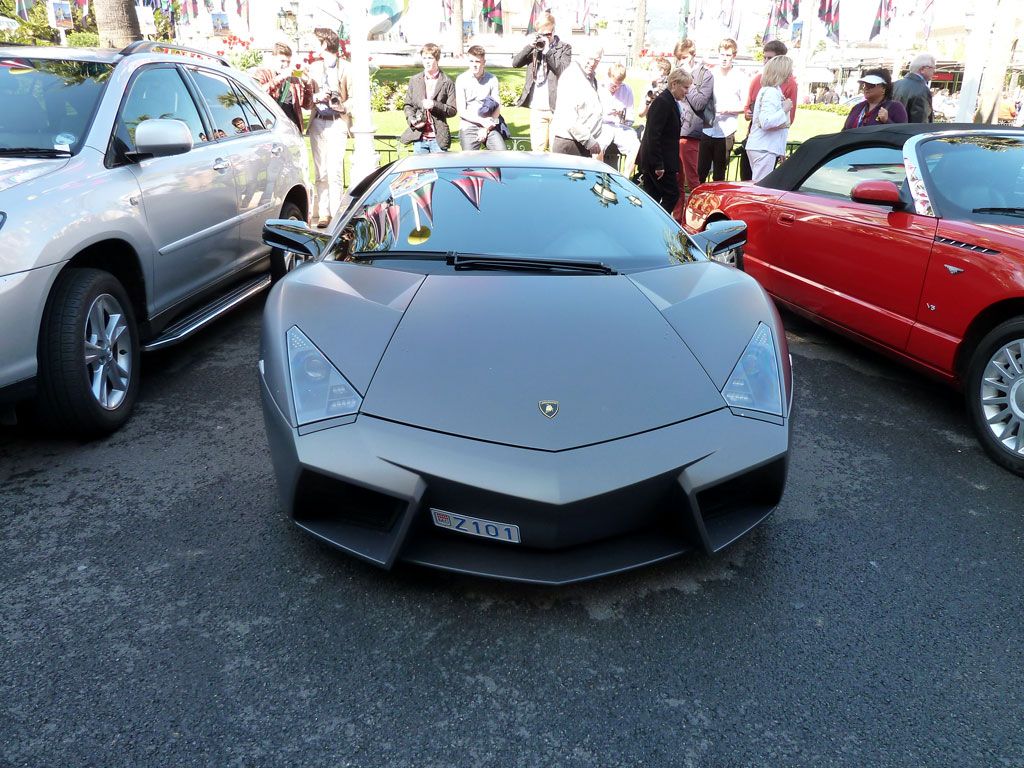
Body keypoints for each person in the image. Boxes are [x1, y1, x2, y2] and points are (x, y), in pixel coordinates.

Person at [307, 28, 352, 228]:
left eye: (316, 42)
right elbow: (307, 97)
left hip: (337, 122)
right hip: (318, 122)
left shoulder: (347, 68)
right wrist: (316, 97)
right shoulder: (314, 67)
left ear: (325, 44)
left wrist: (341, 106)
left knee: (334, 172)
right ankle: (323, 213)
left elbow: (356, 97)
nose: (313, 46)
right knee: (321, 172)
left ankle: (337, 214)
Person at [511, 12, 571, 151]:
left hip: (557, 107)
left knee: (556, 151)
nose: (545, 37)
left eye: (548, 34)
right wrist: (529, 46)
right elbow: (515, 63)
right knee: (537, 152)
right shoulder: (535, 47)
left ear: (554, 30)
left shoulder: (565, 48)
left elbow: (563, 70)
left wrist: (548, 51)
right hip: (537, 107)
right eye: (541, 34)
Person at [741, 40, 798, 181]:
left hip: (764, 146)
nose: (790, 73)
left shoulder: (771, 89)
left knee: (758, 185)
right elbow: (766, 122)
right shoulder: (771, 92)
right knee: (760, 188)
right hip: (764, 148)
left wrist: (780, 149)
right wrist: (784, 109)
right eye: (788, 70)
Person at [671, 38, 714, 223]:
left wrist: (687, 84)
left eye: (684, 58)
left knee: (692, 179)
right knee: (677, 180)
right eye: (678, 58)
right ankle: (678, 218)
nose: (680, 62)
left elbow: (699, 103)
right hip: (675, 131)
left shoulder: (705, 75)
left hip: (691, 133)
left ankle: (697, 218)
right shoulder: (677, 72)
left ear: (692, 56)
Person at [638, 69, 691, 213]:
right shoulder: (663, 102)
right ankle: (657, 224)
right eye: (685, 87)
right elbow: (653, 135)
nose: (687, 92)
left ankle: (652, 224)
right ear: (674, 84)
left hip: (662, 160)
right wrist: (658, 164)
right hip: (658, 162)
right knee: (671, 194)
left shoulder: (669, 101)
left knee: (655, 197)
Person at [699, 38, 745, 182]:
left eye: (728, 55)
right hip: (707, 127)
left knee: (719, 173)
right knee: (701, 171)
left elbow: (745, 105)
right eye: (722, 55)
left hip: (726, 130)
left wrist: (726, 109)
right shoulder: (710, 73)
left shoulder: (740, 77)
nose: (724, 59)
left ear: (733, 56)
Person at [400, 42, 458, 155]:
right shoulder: (415, 80)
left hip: (438, 139)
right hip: (419, 137)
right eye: (424, 58)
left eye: (430, 58)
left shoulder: (447, 82)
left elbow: (452, 110)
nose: (427, 61)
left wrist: (434, 105)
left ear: (437, 59)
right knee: (420, 171)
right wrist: (411, 119)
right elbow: (408, 105)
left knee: (439, 171)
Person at [550, 41, 604, 158]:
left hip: (582, 144)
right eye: (590, 59)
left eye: (597, 60)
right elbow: (569, 118)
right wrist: (589, 141)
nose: (592, 63)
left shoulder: (589, 77)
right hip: (569, 144)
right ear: (581, 55)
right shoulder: (572, 77)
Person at [455, 45, 505, 150]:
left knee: (502, 154)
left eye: (477, 62)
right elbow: (462, 111)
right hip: (469, 125)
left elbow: (497, 107)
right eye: (471, 61)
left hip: (489, 124)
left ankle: (492, 167)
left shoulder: (492, 79)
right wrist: (481, 122)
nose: (474, 65)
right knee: (469, 160)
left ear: (484, 63)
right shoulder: (461, 80)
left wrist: (486, 127)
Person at [597, 63, 640, 177]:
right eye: (613, 84)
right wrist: (606, 113)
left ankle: (625, 178)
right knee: (598, 145)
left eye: (619, 84)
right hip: (603, 124)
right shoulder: (599, 87)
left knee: (635, 145)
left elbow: (630, 116)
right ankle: (600, 175)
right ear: (608, 77)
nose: (615, 87)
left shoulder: (627, 89)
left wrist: (622, 116)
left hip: (620, 126)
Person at [256, 42, 310, 131]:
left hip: (292, 128)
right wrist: (280, 78)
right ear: (273, 58)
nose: (286, 65)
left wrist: (307, 84)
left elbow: (307, 105)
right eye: (282, 61)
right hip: (271, 126)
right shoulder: (262, 73)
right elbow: (259, 94)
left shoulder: (293, 79)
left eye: (288, 62)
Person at [842, 70, 908, 129]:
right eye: (864, 85)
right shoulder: (857, 107)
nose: (866, 88)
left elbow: (902, 133)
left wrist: (887, 121)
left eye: (871, 85)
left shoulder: (895, 107)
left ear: (884, 88)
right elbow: (844, 131)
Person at [892, 52, 936, 123]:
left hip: (894, 130)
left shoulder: (896, 84)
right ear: (922, 69)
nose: (934, 71)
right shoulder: (922, 89)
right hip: (911, 132)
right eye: (933, 67)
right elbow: (920, 121)